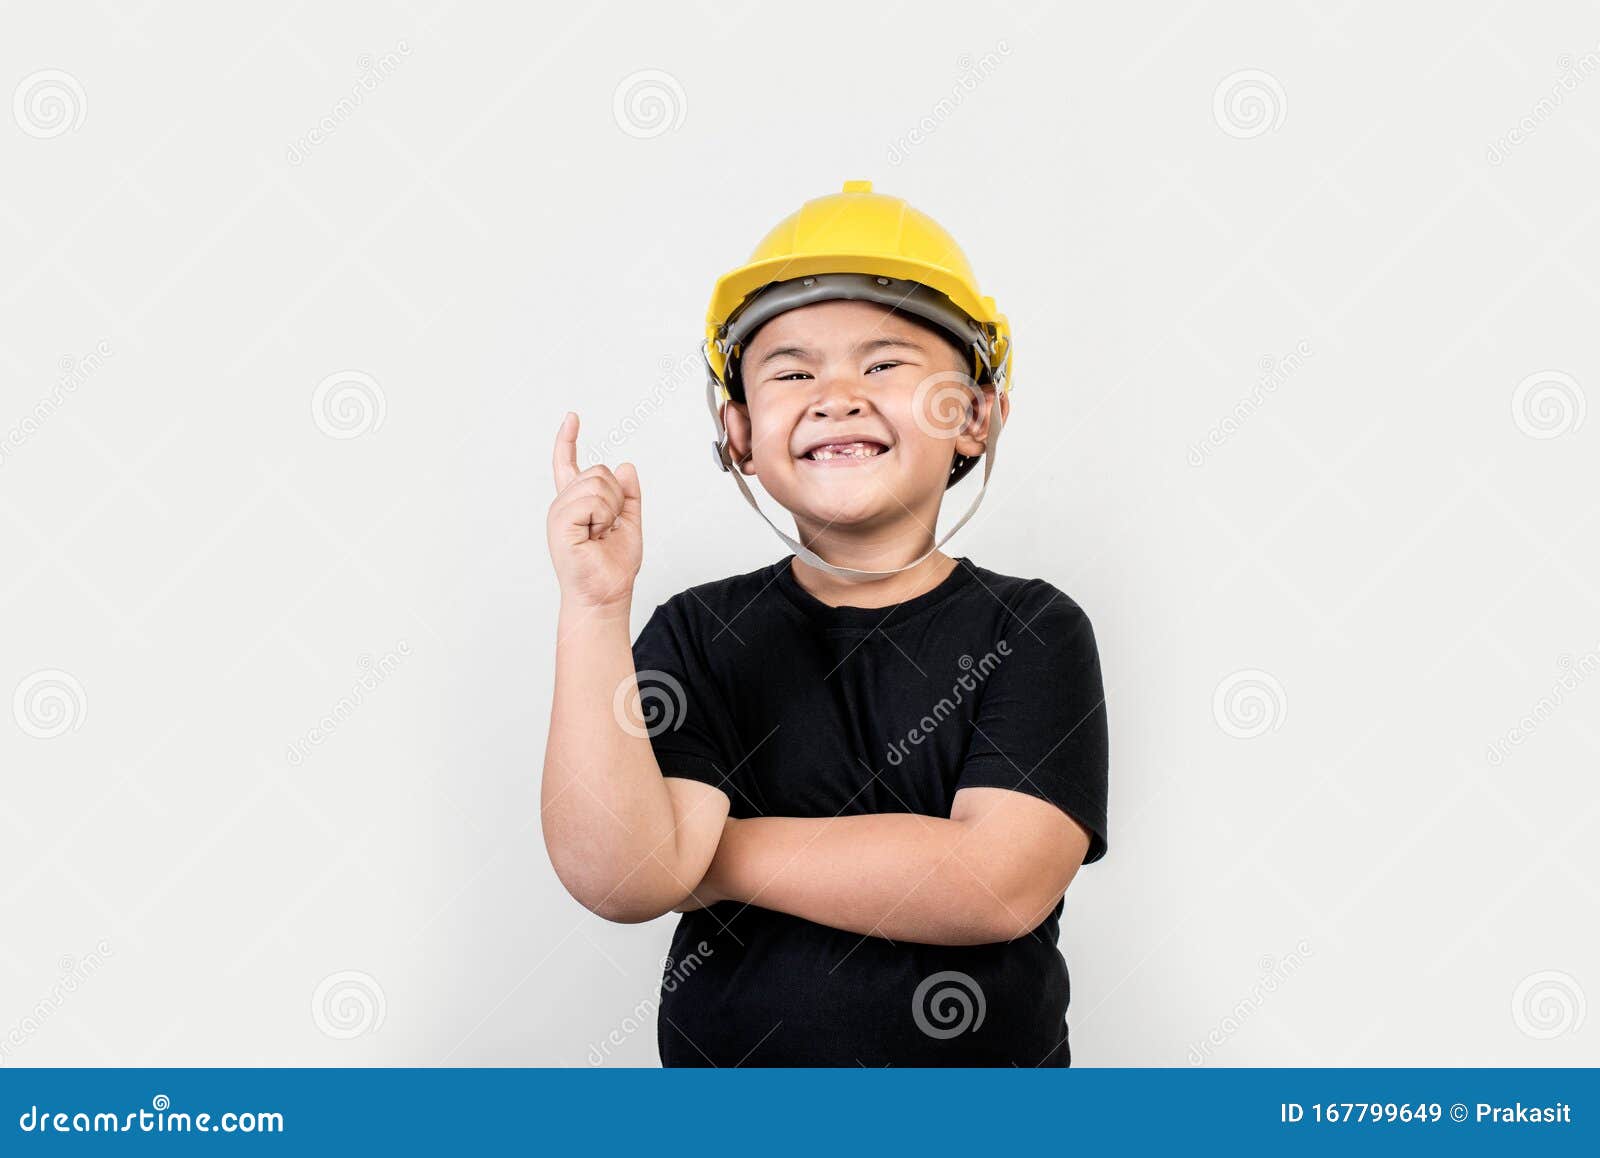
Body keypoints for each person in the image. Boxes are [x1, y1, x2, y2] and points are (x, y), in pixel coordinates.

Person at [542, 180, 1109, 1066]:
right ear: (738, 431)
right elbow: (622, 875)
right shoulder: (698, 635)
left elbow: (994, 883)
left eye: (884, 364)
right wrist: (594, 607)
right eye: (793, 370)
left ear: (975, 414)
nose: (836, 394)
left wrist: (703, 856)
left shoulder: (1032, 629)